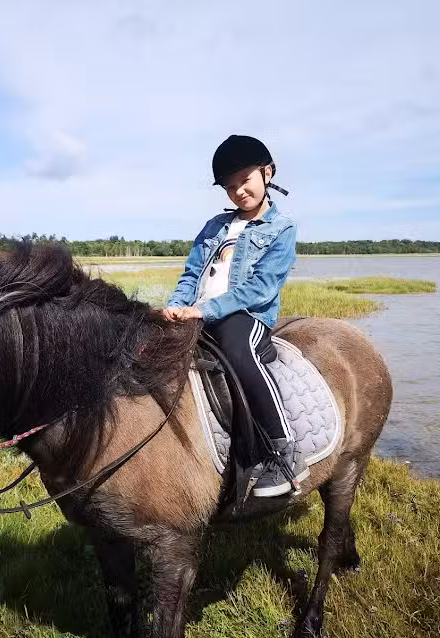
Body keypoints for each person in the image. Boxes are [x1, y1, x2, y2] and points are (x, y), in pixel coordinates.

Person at [162, 134, 305, 497]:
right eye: (230, 186)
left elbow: (262, 288)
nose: (239, 191)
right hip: (199, 314)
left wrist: (205, 310)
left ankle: (284, 450)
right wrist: (178, 306)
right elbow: (191, 274)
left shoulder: (281, 229)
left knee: (238, 350)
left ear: (267, 173)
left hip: (246, 316)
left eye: (246, 180)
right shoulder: (214, 227)